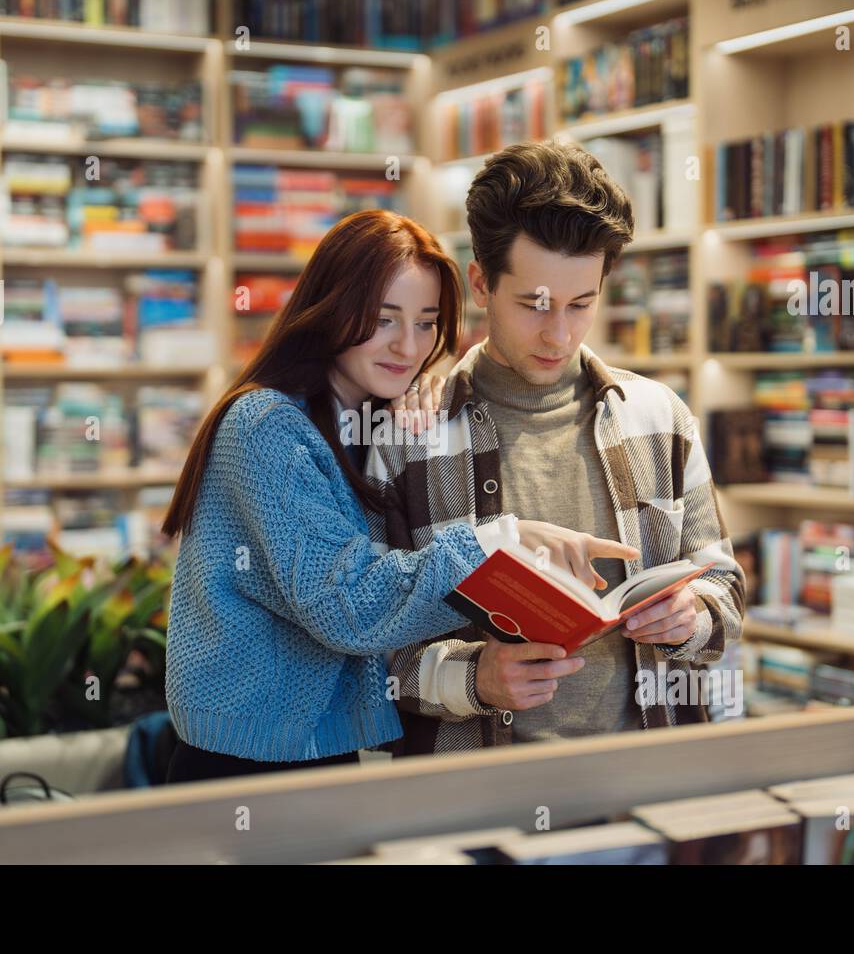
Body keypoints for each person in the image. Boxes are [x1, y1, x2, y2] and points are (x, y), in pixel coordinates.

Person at [160, 208, 634, 782]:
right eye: (384, 319)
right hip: (242, 761)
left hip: (314, 753)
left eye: (427, 322)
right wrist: (498, 541)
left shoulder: (365, 423)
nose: (407, 346)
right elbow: (347, 605)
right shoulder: (265, 426)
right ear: (332, 307)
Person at [365, 140, 746, 756]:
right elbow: (366, 649)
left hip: (645, 785)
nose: (559, 333)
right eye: (535, 305)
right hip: (474, 807)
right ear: (481, 283)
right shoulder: (405, 438)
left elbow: (725, 594)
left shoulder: (661, 420)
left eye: (582, 304)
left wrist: (692, 618)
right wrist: (473, 677)